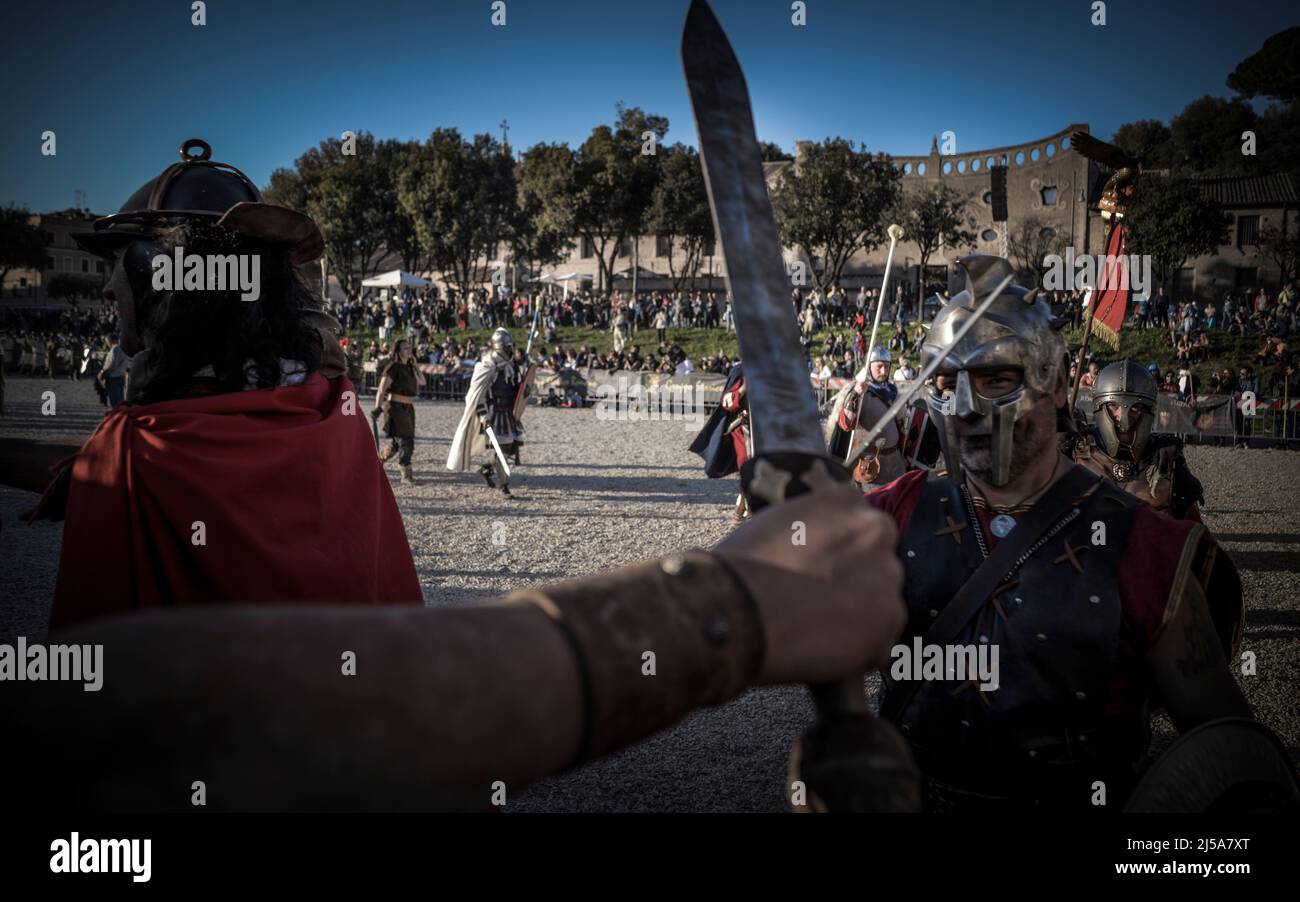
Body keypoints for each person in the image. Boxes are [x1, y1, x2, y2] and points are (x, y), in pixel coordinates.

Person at [866, 254, 1249, 811]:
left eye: (997, 378)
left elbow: (1229, 757)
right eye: (947, 383)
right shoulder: (890, 515)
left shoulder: (1146, 547)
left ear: (1060, 383)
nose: (967, 408)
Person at [1, 138, 422, 628]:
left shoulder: (138, 449)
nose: (108, 285)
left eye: (117, 262)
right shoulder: (331, 406)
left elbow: (143, 465)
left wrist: (104, 466)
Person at [1070, 360, 1205, 519]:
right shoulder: (1077, 450)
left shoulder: (1165, 457)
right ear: (1100, 407)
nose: (1124, 417)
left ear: (1149, 410)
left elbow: (1193, 533)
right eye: (1114, 406)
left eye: (1136, 407)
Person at [447, 327, 526, 495]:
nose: (512, 349)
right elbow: (474, 395)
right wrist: (483, 415)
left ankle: (485, 469)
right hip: (494, 413)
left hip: (508, 412)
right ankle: (505, 485)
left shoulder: (511, 364)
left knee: (511, 447)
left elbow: (516, 388)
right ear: (502, 347)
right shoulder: (488, 365)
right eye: (509, 346)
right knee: (501, 449)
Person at [828, 346, 907, 490]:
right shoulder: (857, 390)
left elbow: (901, 425)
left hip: (894, 462)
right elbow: (846, 423)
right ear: (869, 367)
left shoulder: (894, 392)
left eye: (887, 367)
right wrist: (856, 395)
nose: (883, 371)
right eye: (879, 367)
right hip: (869, 466)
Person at [374, 338, 426, 485]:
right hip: (395, 407)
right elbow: (382, 389)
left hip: (408, 408)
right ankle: (406, 474)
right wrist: (377, 408)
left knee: (399, 442)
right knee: (406, 441)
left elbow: (422, 381)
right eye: (405, 348)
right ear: (398, 351)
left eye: (410, 348)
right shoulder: (393, 367)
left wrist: (416, 366)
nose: (408, 350)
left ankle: (379, 460)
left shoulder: (410, 368)